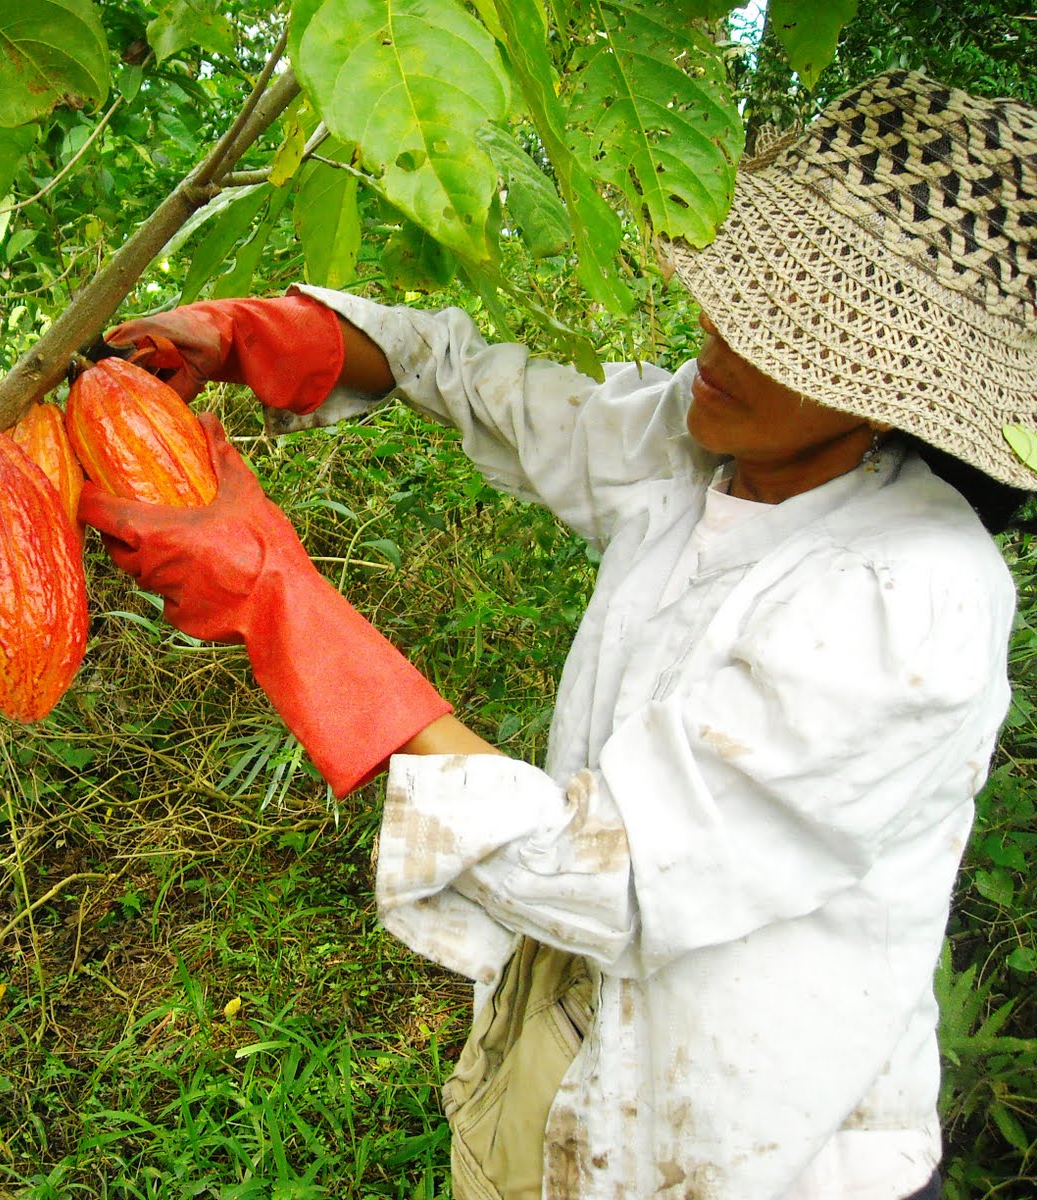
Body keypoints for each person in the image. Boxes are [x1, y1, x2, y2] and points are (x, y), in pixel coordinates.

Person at [79, 70, 1037, 1200]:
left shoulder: (909, 595)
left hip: (755, 1150)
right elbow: (500, 396)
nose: (719, 331)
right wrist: (267, 336)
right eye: (740, 291)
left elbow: (607, 874)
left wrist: (276, 598)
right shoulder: (716, 443)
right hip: (572, 1058)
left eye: (788, 331)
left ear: (889, 393)